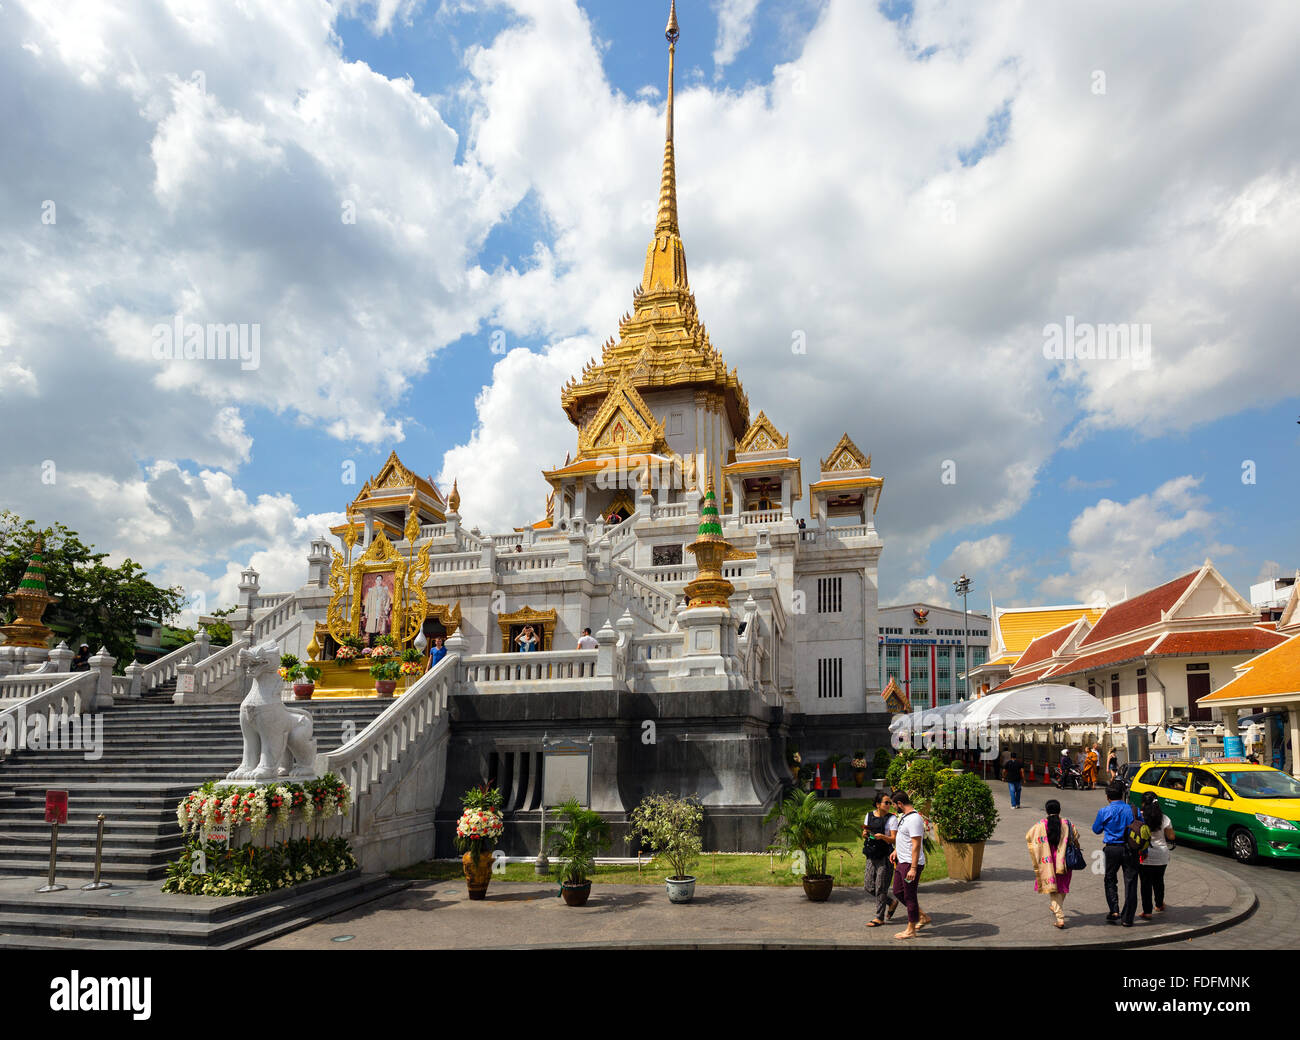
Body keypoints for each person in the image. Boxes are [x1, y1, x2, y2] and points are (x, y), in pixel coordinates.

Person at [1026, 798, 1081, 929]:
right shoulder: (1067, 823)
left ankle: (1060, 918)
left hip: (1048, 861)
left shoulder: (1041, 824)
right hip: (1065, 861)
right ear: (1059, 810)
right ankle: (1056, 906)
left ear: (1046, 811)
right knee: (1062, 886)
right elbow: (1076, 836)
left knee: (1053, 889)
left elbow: (1028, 836)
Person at [1092, 782, 1140, 926]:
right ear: (1122, 794)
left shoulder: (1103, 811)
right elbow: (1141, 829)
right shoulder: (1133, 810)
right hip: (1130, 849)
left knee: (1110, 879)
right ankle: (1127, 918)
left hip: (1111, 849)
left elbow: (1096, 829)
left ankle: (1114, 910)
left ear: (1107, 797)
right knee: (1130, 882)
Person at [889, 790, 932, 939]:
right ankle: (922, 916)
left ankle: (911, 929)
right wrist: (896, 850)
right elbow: (903, 837)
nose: (894, 807)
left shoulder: (914, 819)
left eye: (894, 805)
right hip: (902, 862)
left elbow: (916, 845)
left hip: (910, 865)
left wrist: (913, 868)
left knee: (909, 896)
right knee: (898, 891)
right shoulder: (905, 817)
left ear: (900, 804)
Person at [862, 792, 898, 927]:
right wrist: (865, 834)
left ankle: (879, 917)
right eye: (886, 802)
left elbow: (894, 839)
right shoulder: (869, 815)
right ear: (878, 805)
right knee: (868, 886)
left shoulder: (892, 819)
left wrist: (883, 837)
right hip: (871, 854)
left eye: (890, 803)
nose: (889, 805)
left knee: (881, 887)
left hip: (885, 856)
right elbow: (865, 833)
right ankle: (891, 902)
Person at [1137, 791, 1175, 919]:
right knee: (1159, 881)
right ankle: (1159, 904)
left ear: (1143, 803)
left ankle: (1147, 911)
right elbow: (1171, 836)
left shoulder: (1139, 817)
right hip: (1161, 854)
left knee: (1145, 883)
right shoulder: (1164, 818)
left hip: (1144, 854)